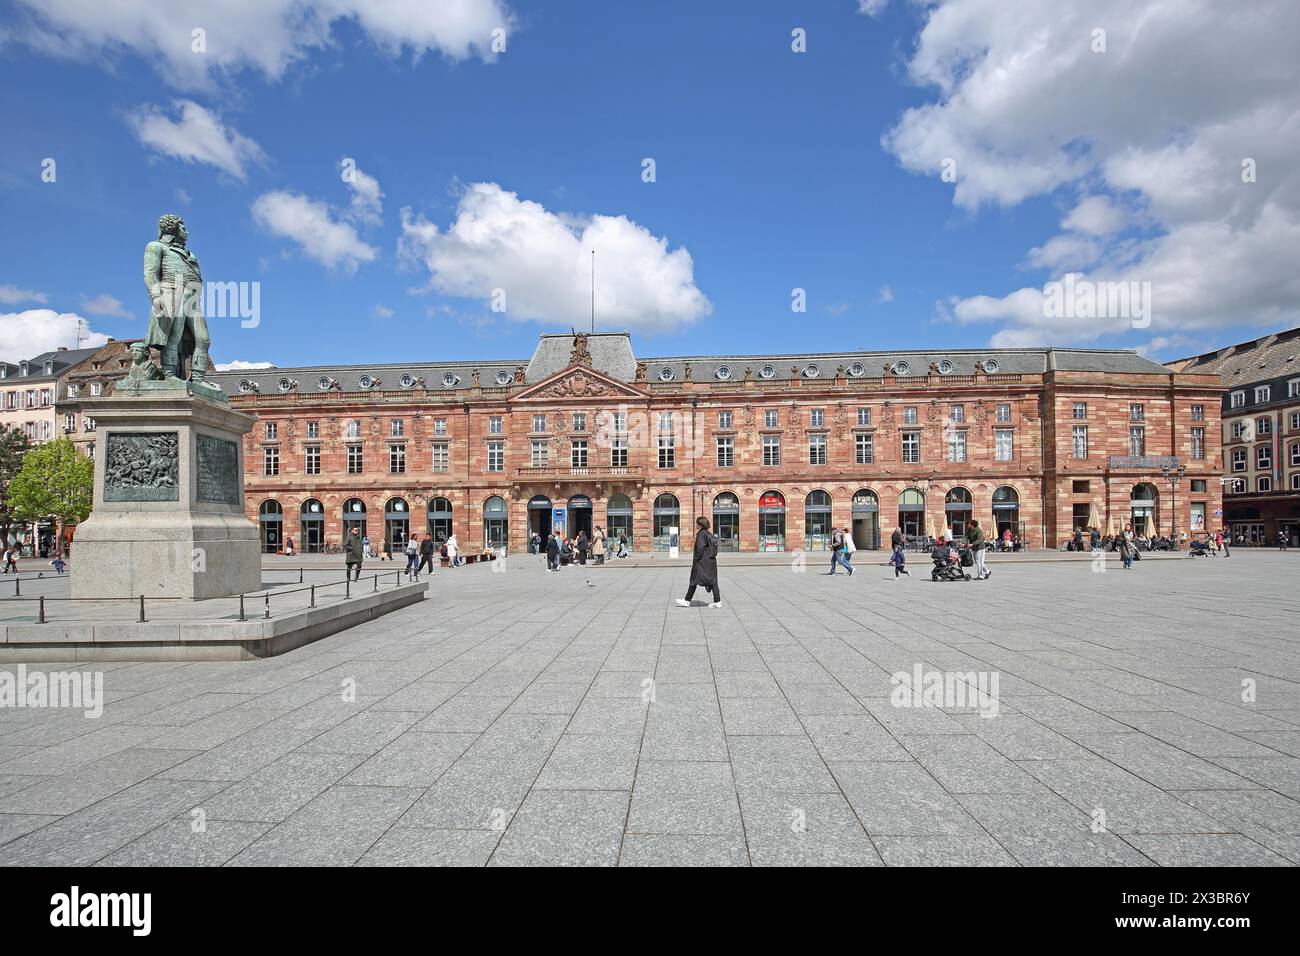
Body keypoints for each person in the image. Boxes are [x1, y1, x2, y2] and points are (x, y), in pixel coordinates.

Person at [676, 516, 721, 608]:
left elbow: (699, 549)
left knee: (693, 581)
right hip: (711, 561)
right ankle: (717, 602)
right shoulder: (708, 533)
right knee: (713, 581)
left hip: (702, 562)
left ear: (700, 525)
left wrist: (695, 560)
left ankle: (687, 601)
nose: (695, 525)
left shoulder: (701, 535)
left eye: (696, 523)